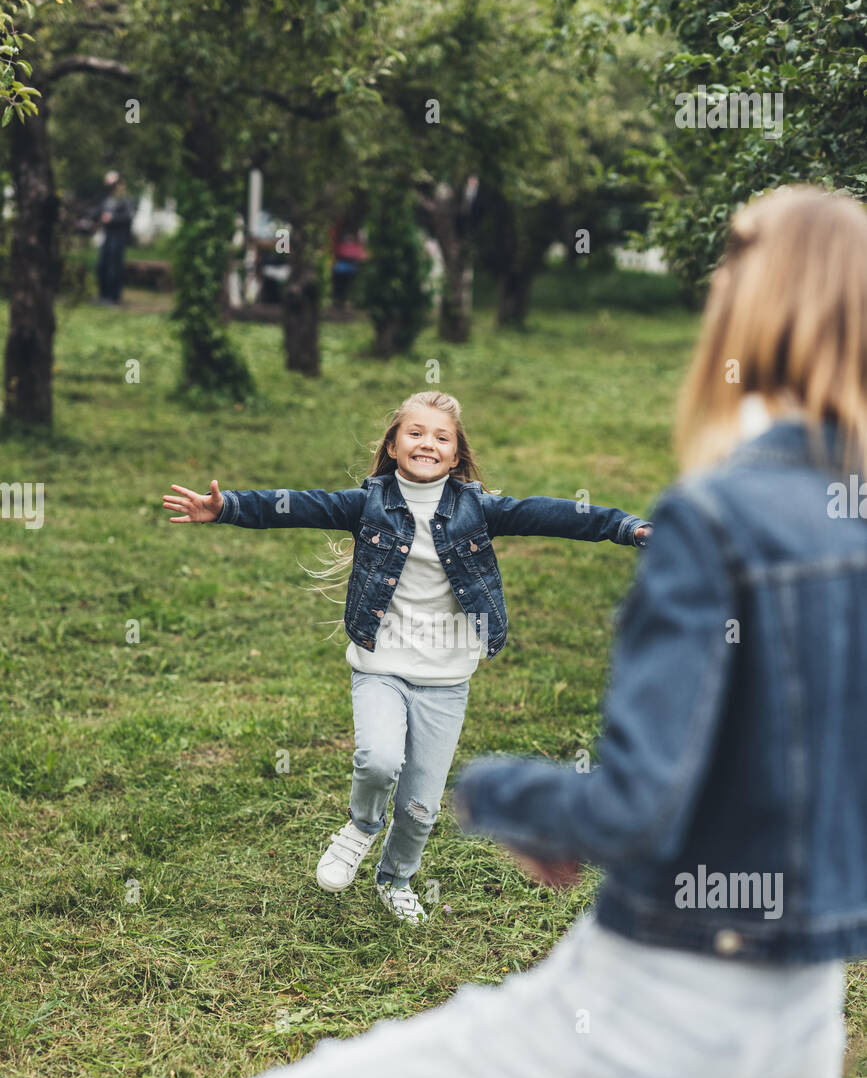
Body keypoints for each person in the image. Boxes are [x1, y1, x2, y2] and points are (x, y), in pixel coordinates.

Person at [214, 187, 867, 1078]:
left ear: (756, 310)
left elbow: (632, 805)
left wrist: (503, 796)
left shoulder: (720, 519)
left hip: (662, 993)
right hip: (805, 1014)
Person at [161, 392, 650, 923]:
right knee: (377, 759)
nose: (427, 443)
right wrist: (226, 506)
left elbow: (553, 516)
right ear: (393, 446)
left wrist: (624, 527)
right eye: (415, 433)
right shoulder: (366, 503)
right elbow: (294, 504)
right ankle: (362, 827)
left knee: (421, 809)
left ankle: (395, 878)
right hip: (382, 666)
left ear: (457, 455)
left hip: (445, 678)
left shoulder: (477, 509)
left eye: (442, 437)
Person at [96, 171, 134, 304]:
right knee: (102, 265)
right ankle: (103, 295)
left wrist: (112, 219)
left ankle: (113, 297)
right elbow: (97, 211)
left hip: (118, 236)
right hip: (107, 235)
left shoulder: (125, 199)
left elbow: (128, 217)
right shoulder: (107, 199)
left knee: (114, 267)